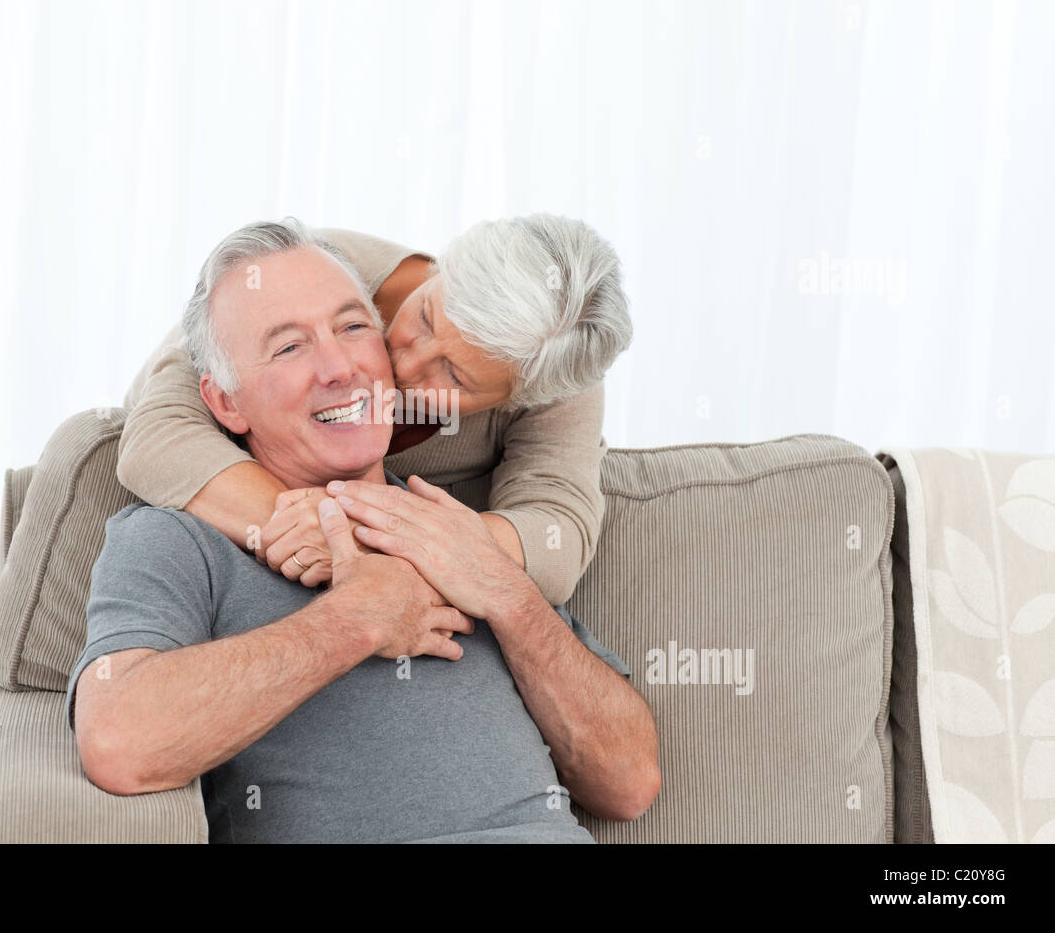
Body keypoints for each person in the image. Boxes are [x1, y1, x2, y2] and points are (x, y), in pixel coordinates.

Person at [68, 221, 660, 842]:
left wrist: (502, 591)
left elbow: (628, 783)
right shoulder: (176, 539)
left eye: (354, 328)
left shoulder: (459, 535)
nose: (342, 367)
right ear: (224, 402)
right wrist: (361, 615)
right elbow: (117, 742)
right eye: (289, 347)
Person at [116, 215, 632, 606]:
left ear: (518, 395)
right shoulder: (314, 272)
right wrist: (333, 533)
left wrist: (372, 547)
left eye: (454, 377)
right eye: (426, 318)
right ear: (440, 270)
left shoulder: (553, 374)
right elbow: (155, 436)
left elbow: (554, 540)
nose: (404, 363)